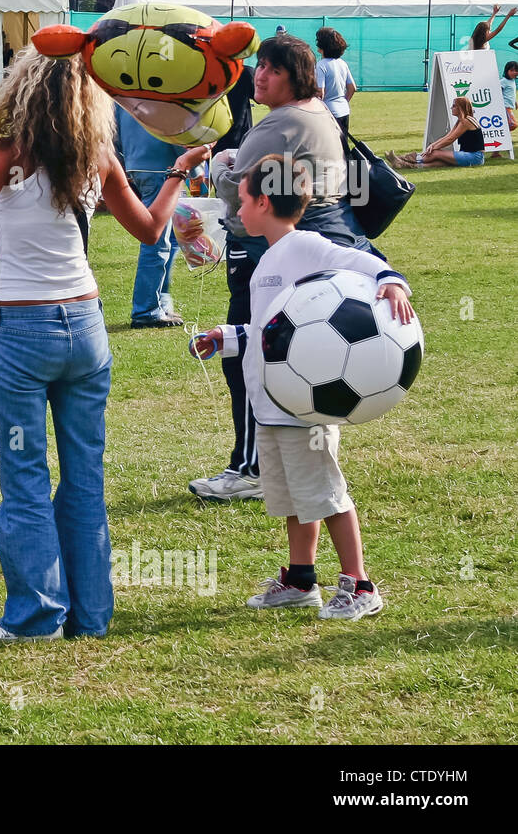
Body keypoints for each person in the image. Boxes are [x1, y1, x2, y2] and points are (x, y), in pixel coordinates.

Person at [0, 46, 211, 641]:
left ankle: (37, 614)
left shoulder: (10, 150)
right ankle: (90, 616)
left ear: (24, 91)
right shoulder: (98, 156)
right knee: (84, 476)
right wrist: (176, 174)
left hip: (23, 330)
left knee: (24, 474)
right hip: (87, 328)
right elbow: (149, 229)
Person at [192, 154, 413, 619]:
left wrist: (391, 282)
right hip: (272, 407)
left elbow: (361, 257)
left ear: (265, 202)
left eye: (242, 201)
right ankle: (300, 578)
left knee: (326, 495)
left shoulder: (305, 245)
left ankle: (360, 585)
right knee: (293, 498)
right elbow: (275, 334)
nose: (236, 211)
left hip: (302, 409)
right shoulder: (271, 256)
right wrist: (227, 338)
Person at [192, 34, 373, 503]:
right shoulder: (319, 113)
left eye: (272, 69)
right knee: (293, 352)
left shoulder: (282, 123)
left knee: (253, 353)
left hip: (266, 251)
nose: (261, 76)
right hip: (313, 239)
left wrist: (219, 167)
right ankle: (279, 461)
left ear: (295, 78)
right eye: (260, 67)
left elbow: (241, 191)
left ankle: (249, 467)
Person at [115, 104, 185, 328]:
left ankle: (160, 301)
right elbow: (176, 125)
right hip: (162, 166)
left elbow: (113, 130)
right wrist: (192, 166)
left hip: (138, 163)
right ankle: (147, 308)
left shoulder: (126, 87)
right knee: (157, 240)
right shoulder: (165, 85)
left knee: (169, 239)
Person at [387, 96, 485, 168]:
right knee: (441, 161)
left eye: (454, 106)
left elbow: (450, 139)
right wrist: (433, 145)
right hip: (469, 155)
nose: (451, 108)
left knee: (435, 154)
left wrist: (433, 148)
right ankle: (404, 164)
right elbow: (448, 136)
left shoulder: (466, 121)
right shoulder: (463, 120)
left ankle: (403, 159)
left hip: (475, 157)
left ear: (460, 108)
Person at [315, 27, 357, 147]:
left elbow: (320, 93)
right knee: (343, 147)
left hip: (329, 113)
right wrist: (344, 101)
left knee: (329, 149)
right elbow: (352, 87)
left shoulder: (321, 65)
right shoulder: (342, 63)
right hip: (343, 110)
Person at [501, 60, 518, 132]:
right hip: (505, 107)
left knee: (509, 123)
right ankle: (503, 133)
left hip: (509, 107)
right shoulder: (503, 81)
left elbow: (511, 93)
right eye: (511, 70)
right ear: (507, 71)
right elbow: (498, 93)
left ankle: (504, 136)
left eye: (516, 70)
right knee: (513, 124)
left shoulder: (512, 81)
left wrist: (515, 102)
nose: (514, 72)